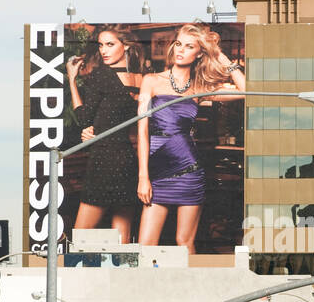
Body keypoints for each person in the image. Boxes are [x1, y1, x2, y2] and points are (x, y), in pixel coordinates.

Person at [136, 24, 244, 253]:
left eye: (189, 46)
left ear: (199, 53)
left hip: (188, 169)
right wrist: (143, 176)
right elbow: (142, 131)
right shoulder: (151, 81)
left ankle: (191, 289)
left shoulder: (200, 87)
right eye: (178, 44)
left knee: (184, 243)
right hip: (156, 170)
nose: (180, 50)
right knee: (146, 247)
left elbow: (244, 91)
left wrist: (218, 53)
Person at [66, 26, 145, 243]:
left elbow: (84, 119)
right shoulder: (143, 78)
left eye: (110, 44)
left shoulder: (101, 76)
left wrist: (72, 80)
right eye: (101, 45)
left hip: (105, 160)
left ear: (126, 45)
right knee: (123, 238)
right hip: (129, 161)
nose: (103, 50)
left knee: (81, 237)